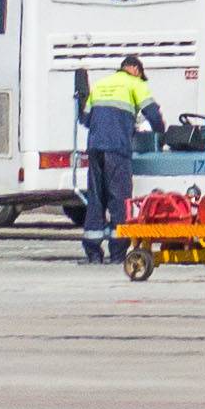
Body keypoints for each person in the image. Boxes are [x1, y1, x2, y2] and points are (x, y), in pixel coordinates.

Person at [77, 56, 149, 262]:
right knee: (119, 199)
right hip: (117, 149)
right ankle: (117, 252)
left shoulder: (101, 85)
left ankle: (93, 251)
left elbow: (86, 119)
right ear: (135, 69)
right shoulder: (134, 84)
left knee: (96, 197)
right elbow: (150, 114)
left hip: (95, 147)